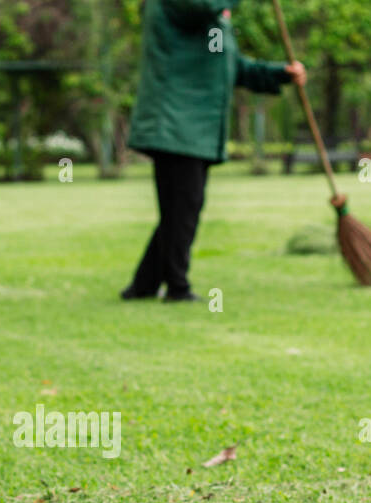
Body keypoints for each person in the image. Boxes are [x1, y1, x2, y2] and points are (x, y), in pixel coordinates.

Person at [122, 1, 306, 302]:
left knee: (178, 209)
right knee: (184, 208)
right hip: (175, 121)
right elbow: (206, 5)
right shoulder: (189, 7)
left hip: (193, 126)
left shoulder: (212, 26)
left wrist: (280, 74)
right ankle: (177, 287)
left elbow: (230, 63)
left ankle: (143, 285)